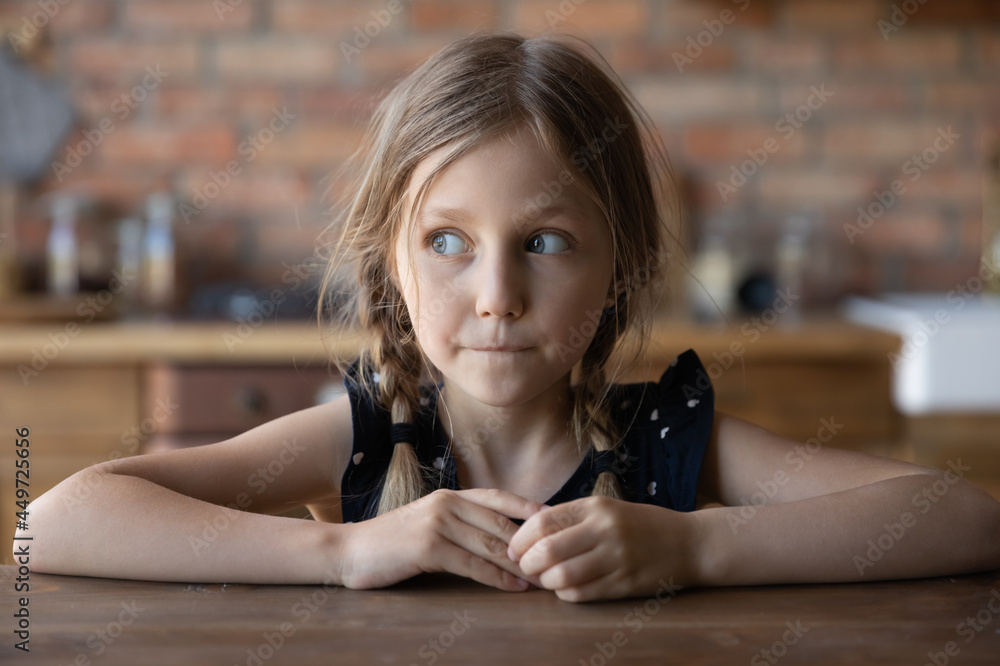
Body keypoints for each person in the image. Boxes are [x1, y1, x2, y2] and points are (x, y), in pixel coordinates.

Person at [18, 32, 1000, 602]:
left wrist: (694, 546)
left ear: (622, 270)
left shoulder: (668, 441)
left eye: (544, 242)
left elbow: (963, 515)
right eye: (447, 241)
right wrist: (347, 551)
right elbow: (50, 525)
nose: (495, 295)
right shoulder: (365, 435)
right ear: (391, 267)